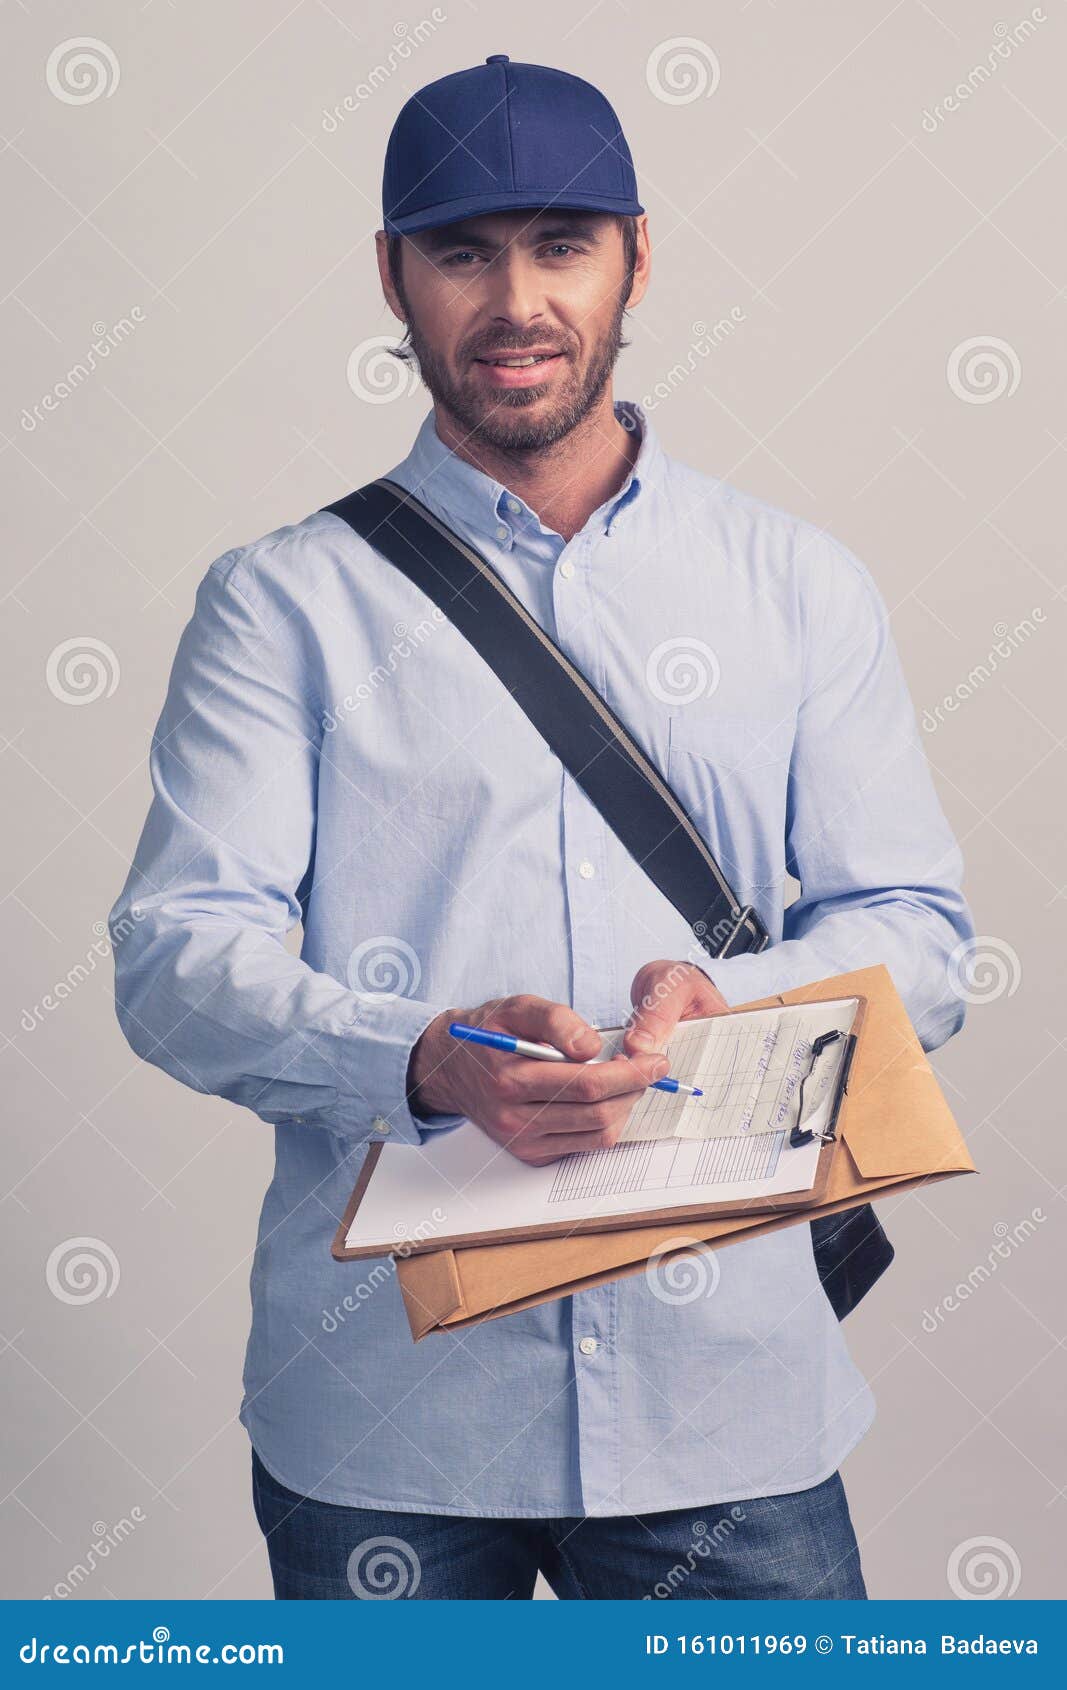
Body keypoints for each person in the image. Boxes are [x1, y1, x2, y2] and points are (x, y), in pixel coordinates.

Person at [109, 54, 973, 1600]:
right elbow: (174, 960)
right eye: (462, 251)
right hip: (387, 1422)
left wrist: (738, 1004)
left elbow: (926, 936)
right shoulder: (278, 605)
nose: (518, 301)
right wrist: (423, 1061)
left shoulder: (797, 585)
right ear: (393, 277)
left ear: (640, 256)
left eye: (562, 244)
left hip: (726, 1412)